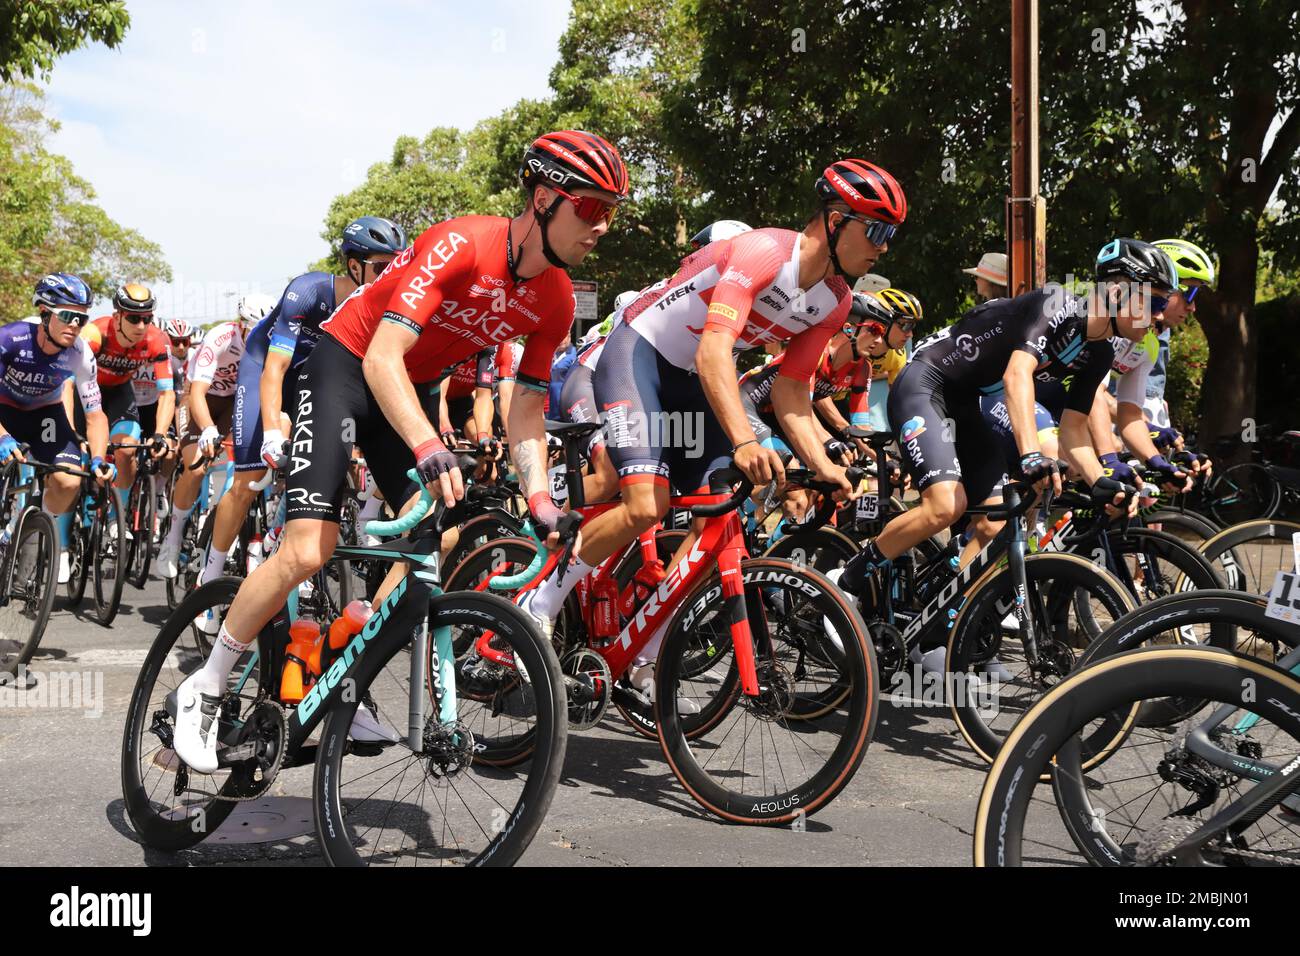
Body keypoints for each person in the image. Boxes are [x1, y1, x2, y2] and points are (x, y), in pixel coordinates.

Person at [170, 129, 629, 773]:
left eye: (612, 211)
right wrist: (428, 444)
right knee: (309, 547)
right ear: (547, 199)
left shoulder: (552, 297)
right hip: (345, 366)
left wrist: (538, 499)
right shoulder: (461, 244)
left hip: (403, 388)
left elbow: (525, 407)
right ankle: (208, 687)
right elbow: (383, 356)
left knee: (437, 534)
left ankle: (341, 655)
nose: (603, 226)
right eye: (593, 208)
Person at [518, 158, 907, 705]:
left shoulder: (835, 301)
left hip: (693, 380)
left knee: (718, 514)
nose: (885, 247)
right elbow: (714, 350)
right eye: (878, 230)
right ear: (837, 219)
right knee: (646, 504)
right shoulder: (765, 253)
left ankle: (648, 650)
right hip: (642, 354)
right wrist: (747, 441)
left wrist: (825, 465)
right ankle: (540, 605)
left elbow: (793, 390)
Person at [840, 237, 1180, 593]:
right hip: (927, 383)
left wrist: (1100, 481)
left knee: (996, 523)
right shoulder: (1059, 303)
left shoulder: (1101, 352)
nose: (1159, 316)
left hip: (967, 402)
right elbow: (1016, 375)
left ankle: (937, 618)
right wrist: (1032, 454)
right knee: (944, 507)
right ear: (1115, 291)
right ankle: (846, 583)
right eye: (1153, 301)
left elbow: (1074, 428)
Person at [197, 218, 407, 588]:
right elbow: (275, 369)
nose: (391, 274)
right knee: (248, 480)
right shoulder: (309, 292)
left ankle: (282, 535)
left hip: (314, 380)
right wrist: (273, 433)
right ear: (354, 266)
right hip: (265, 368)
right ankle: (209, 574)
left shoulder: (384, 311)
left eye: (397, 265)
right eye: (381, 266)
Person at [0, 275, 114, 582]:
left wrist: (100, 458)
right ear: (45, 313)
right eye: (68, 316)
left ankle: (32, 536)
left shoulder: (79, 354)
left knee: (68, 481)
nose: (75, 325)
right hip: (3, 410)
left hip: (44, 415)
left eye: (82, 318)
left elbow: (95, 415)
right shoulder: (11, 338)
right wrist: (2, 437)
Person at [157, 294, 277, 577]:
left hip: (236, 401)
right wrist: (209, 429)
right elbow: (197, 391)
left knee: (252, 467)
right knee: (197, 466)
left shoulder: (274, 344)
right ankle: (173, 536)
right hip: (202, 398)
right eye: (254, 330)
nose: (262, 336)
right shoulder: (222, 338)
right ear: (241, 325)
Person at [80, 283, 175, 527]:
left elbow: (166, 393)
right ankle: (64, 544)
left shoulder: (157, 339)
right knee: (78, 453)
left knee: (127, 450)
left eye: (147, 318)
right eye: (134, 318)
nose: (141, 326)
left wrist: (160, 434)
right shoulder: (95, 333)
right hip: (85, 393)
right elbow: (68, 383)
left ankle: (116, 517)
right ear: (117, 316)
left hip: (120, 393)